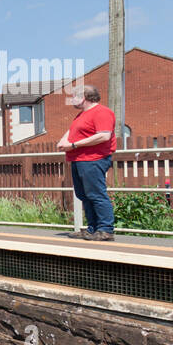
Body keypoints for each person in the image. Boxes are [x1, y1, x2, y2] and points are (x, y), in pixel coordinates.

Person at [56, 85, 117, 240]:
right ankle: (92, 229)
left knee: (96, 194)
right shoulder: (81, 115)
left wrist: (74, 145)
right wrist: (64, 141)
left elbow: (104, 136)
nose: (72, 100)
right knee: (84, 194)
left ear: (84, 97)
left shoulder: (102, 112)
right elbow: (72, 131)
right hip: (79, 159)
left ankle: (105, 229)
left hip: (93, 159)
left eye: (74, 97)